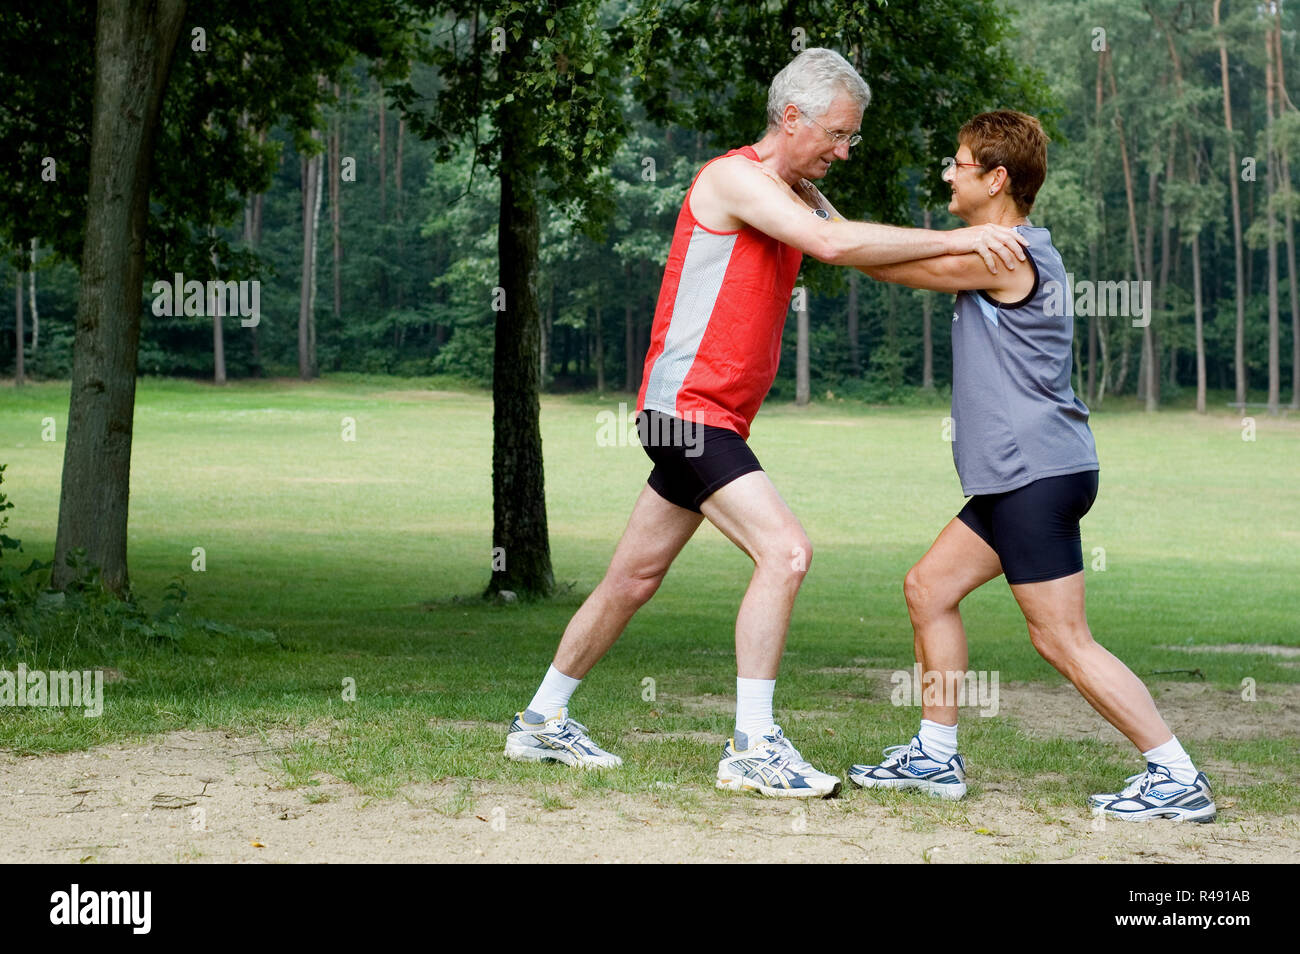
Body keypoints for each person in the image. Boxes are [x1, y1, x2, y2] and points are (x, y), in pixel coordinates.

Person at [504, 48, 1028, 798]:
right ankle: (752, 747)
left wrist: (963, 261)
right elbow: (833, 244)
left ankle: (542, 720)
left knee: (632, 577)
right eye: (838, 134)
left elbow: (858, 250)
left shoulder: (799, 193)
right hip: (688, 414)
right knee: (785, 553)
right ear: (792, 117)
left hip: (710, 419)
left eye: (852, 138)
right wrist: (959, 238)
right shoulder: (735, 179)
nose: (845, 151)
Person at [849, 110, 1215, 822]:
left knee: (1059, 638)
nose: (947, 173)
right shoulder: (1001, 247)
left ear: (997, 178)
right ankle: (934, 755)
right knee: (928, 587)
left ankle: (1175, 774)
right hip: (1017, 474)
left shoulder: (1005, 254)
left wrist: (814, 219)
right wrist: (822, 223)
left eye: (958, 163)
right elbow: (874, 257)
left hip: (1034, 473)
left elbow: (871, 260)